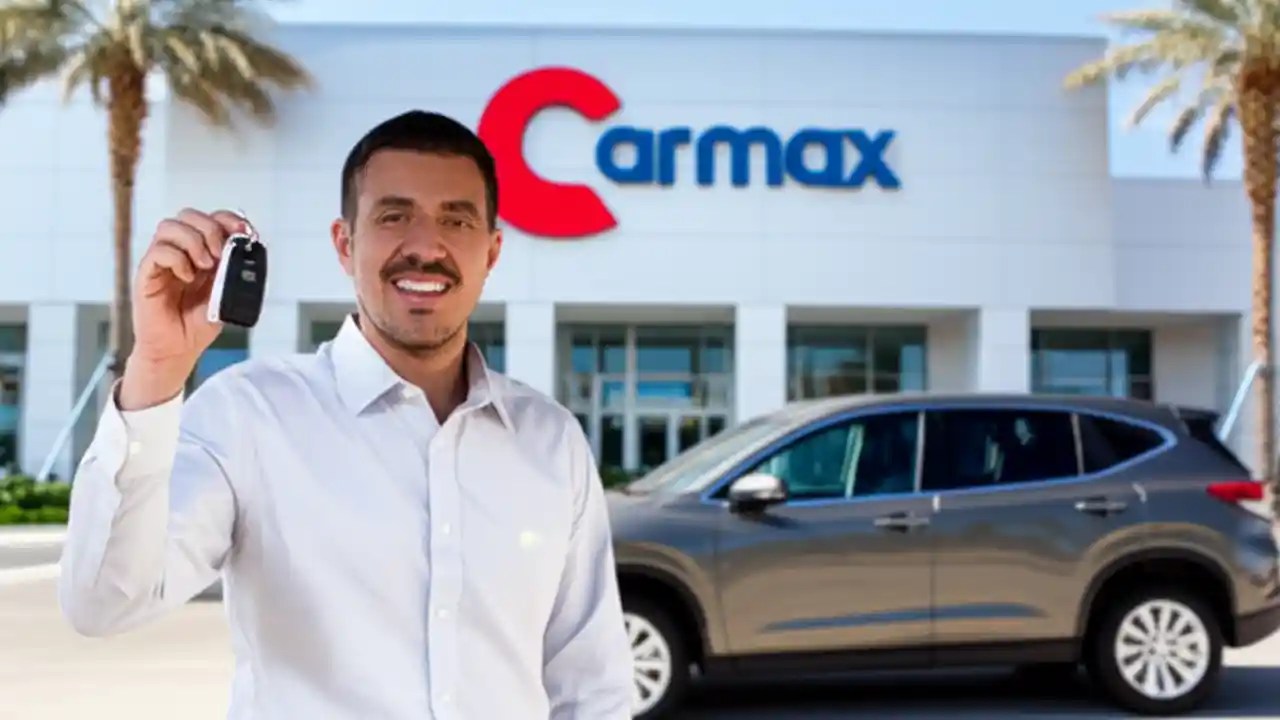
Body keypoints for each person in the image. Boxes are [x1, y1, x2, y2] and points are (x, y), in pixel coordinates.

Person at [57, 110, 635, 719]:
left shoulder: (550, 441)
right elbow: (103, 603)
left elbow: (592, 688)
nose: (426, 247)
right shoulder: (250, 416)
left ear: (491, 252)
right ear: (344, 244)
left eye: (456, 220)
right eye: (394, 216)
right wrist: (156, 367)